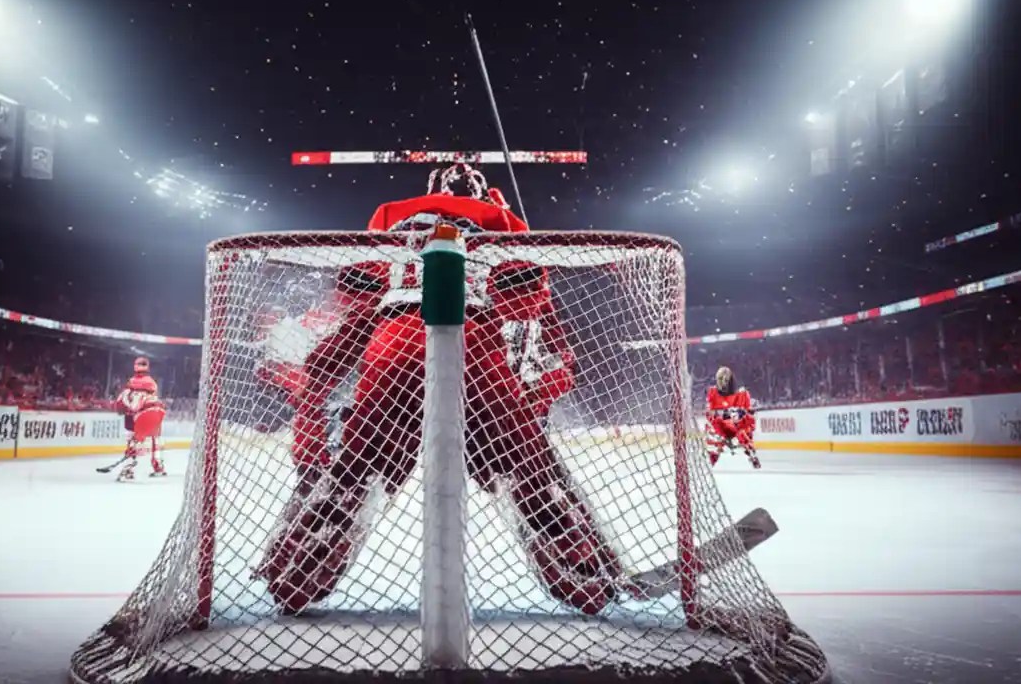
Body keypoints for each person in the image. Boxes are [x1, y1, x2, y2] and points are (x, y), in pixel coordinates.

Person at [255, 164, 630, 615]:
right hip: (476, 342)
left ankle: (293, 575)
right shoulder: (501, 222)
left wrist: (321, 371)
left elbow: (357, 307)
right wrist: (538, 387)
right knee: (525, 469)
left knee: (356, 471)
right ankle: (587, 577)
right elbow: (529, 302)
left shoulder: (393, 215)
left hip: (393, 343)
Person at [114, 357, 167, 481]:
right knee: (155, 440)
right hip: (156, 411)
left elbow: (125, 405)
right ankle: (158, 466)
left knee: (133, 441)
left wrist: (125, 410)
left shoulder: (130, 384)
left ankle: (129, 468)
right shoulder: (152, 382)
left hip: (139, 414)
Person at [705, 366, 759, 468]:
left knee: (744, 428)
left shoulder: (742, 394)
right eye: (719, 379)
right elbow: (710, 415)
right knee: (713, 425)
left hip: (738, 426)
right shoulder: (713, 393)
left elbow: (750, 417)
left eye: (724, 380)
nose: (722, 383)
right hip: (722, 427)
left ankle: (751, 452)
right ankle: (712, 457)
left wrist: (744, 420)